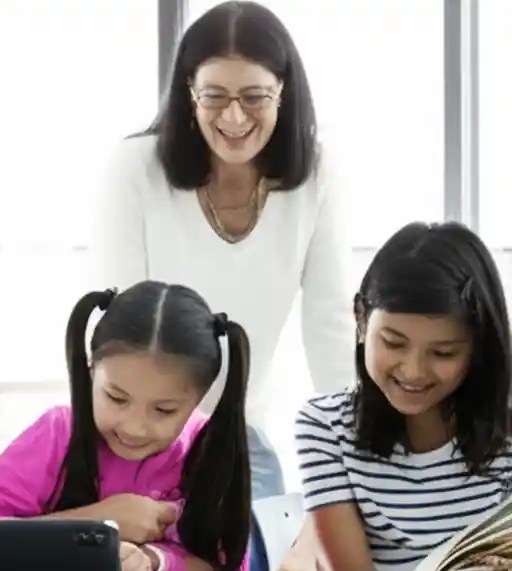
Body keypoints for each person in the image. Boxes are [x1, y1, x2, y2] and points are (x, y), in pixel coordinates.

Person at [90, 0, 355, 500]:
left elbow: (331, 328)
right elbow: (116, 322)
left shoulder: (316, 174)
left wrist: (358, 454)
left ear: (285, 93)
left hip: (238, 436)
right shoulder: (136, 168)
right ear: (189, 93)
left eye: (255, 97)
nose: (234, 117)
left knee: (263, 561)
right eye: (214, 95)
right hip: (139, 435)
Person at [0, 281, 253, 571]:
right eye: (116, 398)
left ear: (198, 401)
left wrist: (153, 561)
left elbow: (226, 568)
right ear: (91, 371)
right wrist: (98, 524)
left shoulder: (208, 448)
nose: (134, 427)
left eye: (164, 410)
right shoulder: (57, 433)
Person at [273, 222, 512, 571]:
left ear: (478, 347)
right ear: (361, 320)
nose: (413, 371)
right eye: (394, 343)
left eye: (443, 353)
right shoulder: (325, 428)